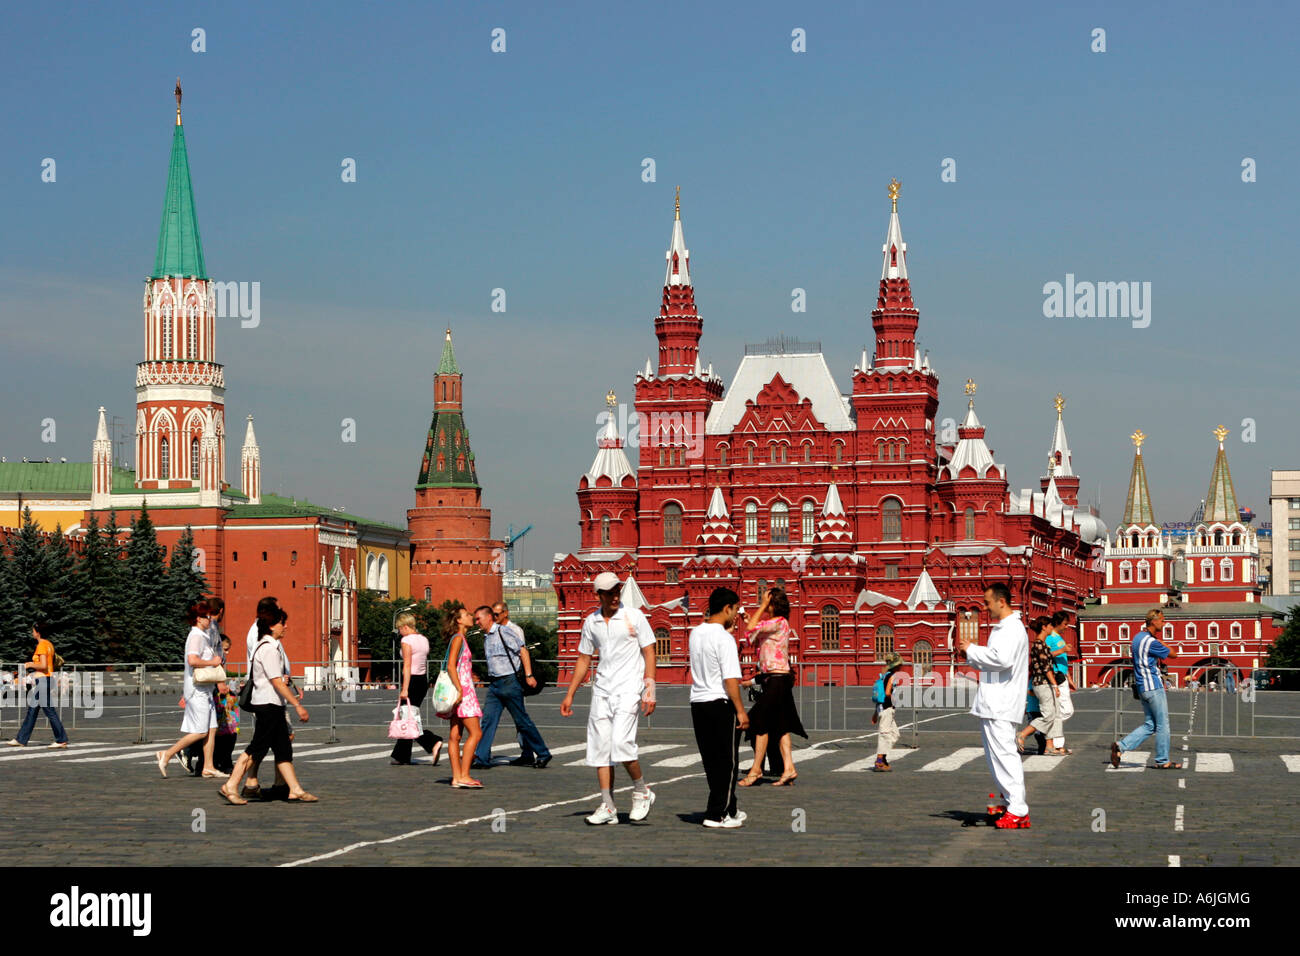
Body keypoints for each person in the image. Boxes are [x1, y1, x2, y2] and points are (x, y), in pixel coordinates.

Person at [560, 571, 657, 824]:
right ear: (599, 595)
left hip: (629, 689)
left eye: (617, 591)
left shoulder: (633, 616)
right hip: (602, 691)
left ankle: (641, 790)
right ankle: (608, 805)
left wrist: (650, 690)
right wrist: (570, 693)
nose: (615, 596)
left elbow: (649, 651)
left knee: (621, 744)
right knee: (600, 749)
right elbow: (584, 658)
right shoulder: (591, 622)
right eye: (609, 592)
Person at [219, 609, 316, 804]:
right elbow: (277, 681)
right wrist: (297, 704)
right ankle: (231, 785)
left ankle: (295, 789)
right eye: (282, 623)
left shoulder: (264, 646)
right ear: (272, 625)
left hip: (272, 705)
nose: (285, 626)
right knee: (256, 748)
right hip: (268, 705)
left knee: (283, 748)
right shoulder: (269, 649)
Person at [956, 583, 1031, 830]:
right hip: (995, 701)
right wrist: (972, 654)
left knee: (1005, 756)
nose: (985, 607)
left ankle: (1018, 809)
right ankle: (1011, 803)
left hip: (1001, 702)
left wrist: (973, 649)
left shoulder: (1011, 628)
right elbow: (994, 662)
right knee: (996, 757)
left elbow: (1002, 660)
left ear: (1001, 601)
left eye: (988, 602)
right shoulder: (1005, 628)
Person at [689, 587, 750, 829]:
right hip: (721, 703)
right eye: (735, 610)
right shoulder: (724, 638)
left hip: (698, 703)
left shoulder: (695, 633)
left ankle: (730, 808)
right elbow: (730, 680)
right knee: (727, 762)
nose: (736, 615)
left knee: (711, 761)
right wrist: (741, 711)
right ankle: (717, 814)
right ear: (727, 608)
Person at [738, 587, 805, 786]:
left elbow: (751, 628)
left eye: (767, 602)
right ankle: (789, 768)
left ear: (773, 604)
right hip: (776, 680)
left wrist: (761, 607)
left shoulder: (778, 622)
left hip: (777, 680)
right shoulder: (776, 624)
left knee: (759, 722)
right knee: (780, 726)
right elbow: (753, 630)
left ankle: (756, 770)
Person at [471, 604, 551, 769]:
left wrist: (529, 675)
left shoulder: (503, 632)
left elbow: (523, 651)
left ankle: (543, 753)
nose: (476, 622)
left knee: (522, 721)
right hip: (494, 684)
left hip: (509, 682)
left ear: (488, 617)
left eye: (479, 618)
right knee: (487, 721)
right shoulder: (486, 636)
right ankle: (482, 758)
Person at [155, 602, 226, 779]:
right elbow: (193, 660)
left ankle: (208, 767)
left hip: (205, 689)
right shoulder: (196, 636)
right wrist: (213, 662)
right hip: (197, 690)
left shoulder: (203, 635)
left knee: (211, 728)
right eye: (206, 617)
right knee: (201, 731)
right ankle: (168, 753)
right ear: (198, 619)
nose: (209, 620)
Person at [1111, 609, 1180, 770]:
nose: (1164, 623)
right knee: (1163, 725)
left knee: (1150, 725)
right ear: (1153, 621)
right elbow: (1174, 654)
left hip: (1142, 687)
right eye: (1162, 620)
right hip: (1154, 686)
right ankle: (1163, 760)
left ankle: (1120, 746)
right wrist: (1160, 641)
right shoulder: (1152, 642)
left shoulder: (1137, 638)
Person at [241, 597, 295, 798]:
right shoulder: (260, 633)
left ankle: (280, 785)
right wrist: (295, 701)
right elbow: (269, 667)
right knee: (262, 744)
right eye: (278, 611)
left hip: (272, 695)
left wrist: (290, 681)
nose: (284, 621)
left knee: (269, 741)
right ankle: (246, 782)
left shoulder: (265, 634)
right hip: (267, 696)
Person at [6, 621, 69, 749]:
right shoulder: (49, 644)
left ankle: (61, 739)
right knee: (32, 711)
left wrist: (29, 664)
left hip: (43, 681)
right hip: (46, 680)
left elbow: (43, 665)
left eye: (33, 630)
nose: (32, 633)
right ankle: (21, 739)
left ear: (37, 632)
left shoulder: (41, 645)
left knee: (49, 711)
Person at [391, 612, 444, 766]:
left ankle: (432, 741)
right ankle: (402, 755)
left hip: (411, 680)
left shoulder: (407, 640)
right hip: (422, 680)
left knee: (409, 719)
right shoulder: (424, 639)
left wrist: (404, 689)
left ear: (405, 626)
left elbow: (407, 665)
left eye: (400, 628)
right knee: (409, 717)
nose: (399, 631)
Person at [442, 606, 485, 787]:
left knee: (455, 735)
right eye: (467, 615)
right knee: (476, 733)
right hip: (463, 691)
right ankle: (465, 775)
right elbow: (451, 666)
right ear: (459, 620)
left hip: (458, 691)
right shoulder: (459, 638)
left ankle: (457, 777)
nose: (471, 617)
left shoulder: (458, 638)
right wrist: (460, 689)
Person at [1015, 616, 1061, 755]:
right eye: (1050, 626)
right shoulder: (1039, 645)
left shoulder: (1041, 644)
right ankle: (1022, 734)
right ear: (1044, 627)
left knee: (1054, 714)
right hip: (1043, 683)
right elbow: (1046, 668)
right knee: (1048, 715)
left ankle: (1050, 746)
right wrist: (1055, 685)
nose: (1052, 628)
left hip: (1044, 683)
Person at [1044, 611, 1074, 754]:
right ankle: (1054, 740)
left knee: (1062, 712)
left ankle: (1056, 742)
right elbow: (1045, 655)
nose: (1067, 627)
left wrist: (1069, 677)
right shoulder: (1050, 638)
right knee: (1065, 711)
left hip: (1062, 676)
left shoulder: (1059, 637)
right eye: (1065, 624)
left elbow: (1062, 659)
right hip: (1056, 678)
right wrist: (1062, 649)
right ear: (1057, 623)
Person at [870, 652, 905, 772]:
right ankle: (879, 761)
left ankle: (883, 758)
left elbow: (880, 695)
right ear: (896, 665)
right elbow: (888, 692)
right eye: (900, 664)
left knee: (895, 734)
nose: (902, 666)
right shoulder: (891, 676)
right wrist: (895, 700)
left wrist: (875, 714)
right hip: (887, 709)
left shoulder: (884, 675)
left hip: (883, 709)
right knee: (885, 734)